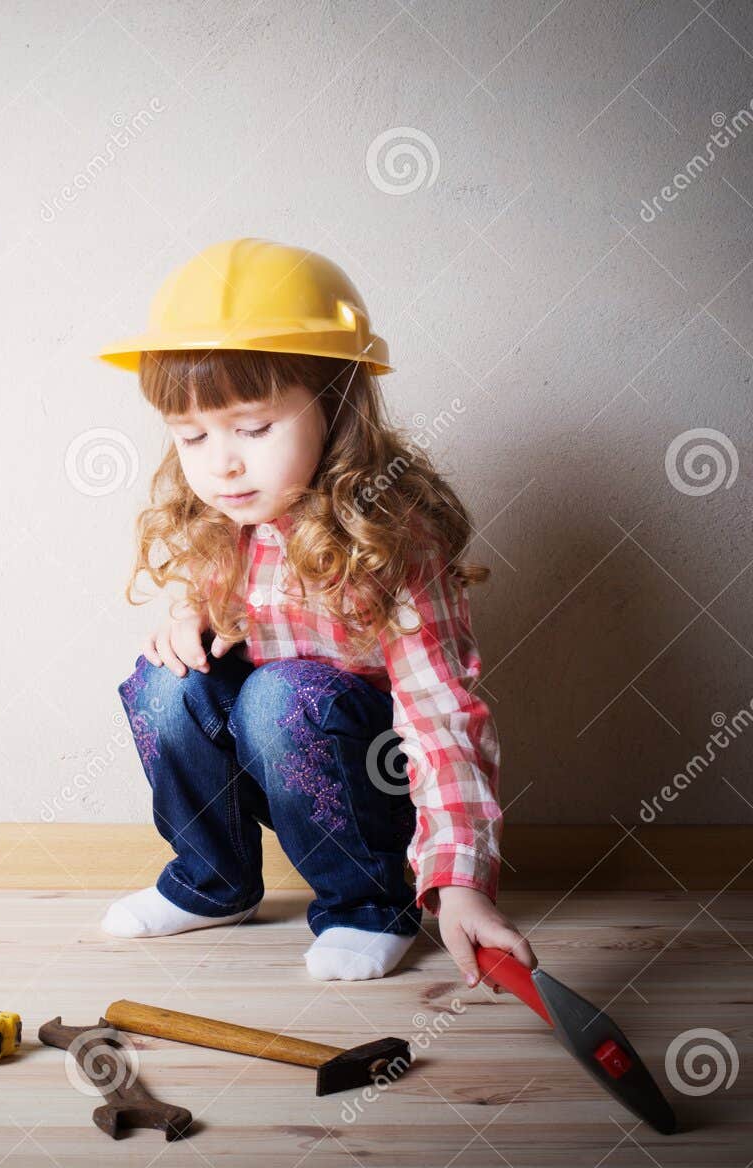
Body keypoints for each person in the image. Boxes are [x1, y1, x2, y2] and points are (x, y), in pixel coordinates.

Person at [98, 237, 536, 985]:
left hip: (372, 784)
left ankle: (370, 905)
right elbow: (219, 620)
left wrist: (461, 881)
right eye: (192, 435)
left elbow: (439, 710)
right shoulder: (225, 518)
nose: (221, 462)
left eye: (254, 427)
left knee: (281, 693)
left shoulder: (395, 539)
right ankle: (214, 880)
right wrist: (188, 624)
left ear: (336, 408)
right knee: (162, 681)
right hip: (278, 767)